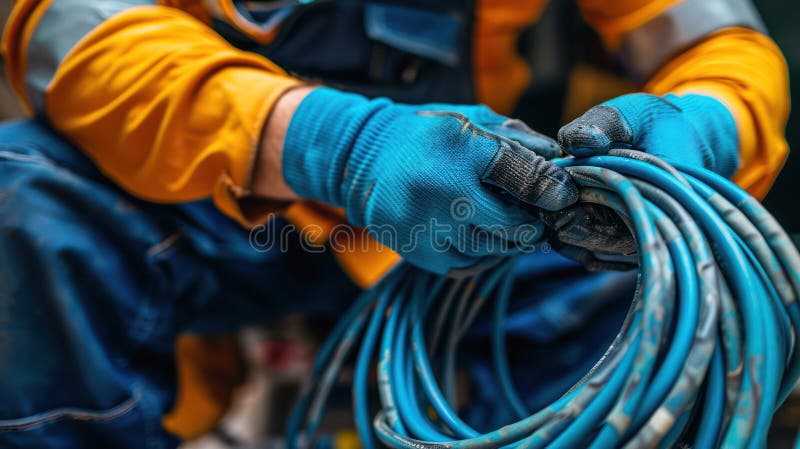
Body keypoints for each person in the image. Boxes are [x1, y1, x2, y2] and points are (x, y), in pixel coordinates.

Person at [0, 0, 789, 447]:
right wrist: (332, 145)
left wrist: (707, 120)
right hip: (218, 198)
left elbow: (719, 38)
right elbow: (73, 33)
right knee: (28, 201)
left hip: (472, 213)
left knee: (662, 281)